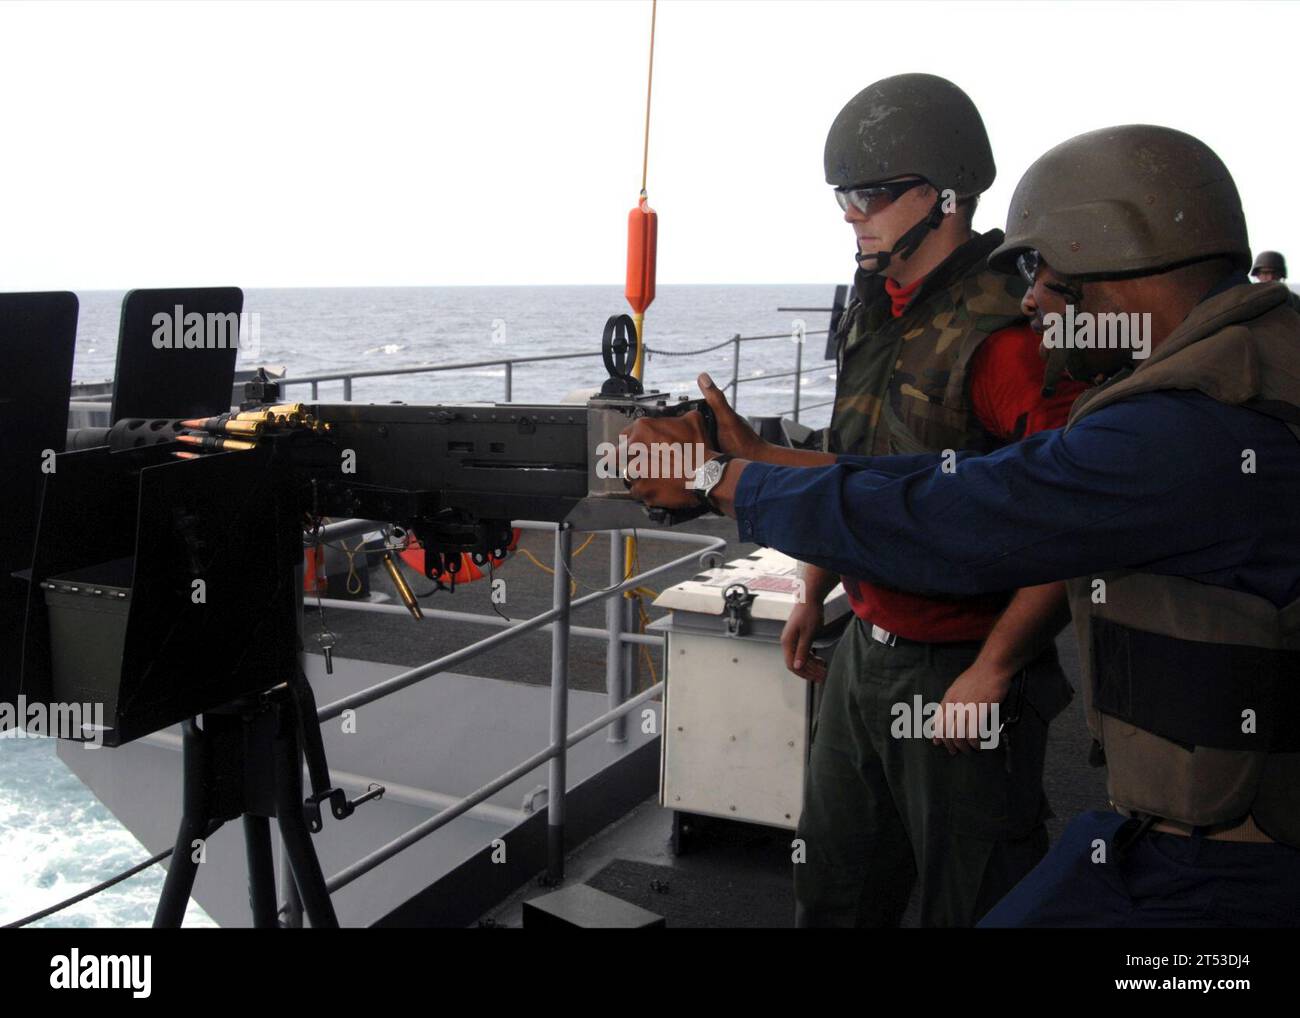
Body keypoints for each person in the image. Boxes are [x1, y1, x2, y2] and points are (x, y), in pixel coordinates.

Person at [624, 124, 1300, 926]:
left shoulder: (1188, 431)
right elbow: (939, 479)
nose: (1032, 298)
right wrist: (758, 463)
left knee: (976, 887)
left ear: (1121, 259)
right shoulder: (1240, 369)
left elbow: (961, 518)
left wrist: (713, 481)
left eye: (1047, 272)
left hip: (1227, 864)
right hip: (1178, 827)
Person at [777, 72, 1084, 928]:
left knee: (975, 897)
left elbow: (1077, 519)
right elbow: (852, 460)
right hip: (864, 650)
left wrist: (994, 668)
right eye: (845, 194)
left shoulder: (1008, 336)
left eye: (870, 193)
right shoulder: (877, 304)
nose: (851, 212)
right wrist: (814, 588)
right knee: (834, 888)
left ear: (944, 197)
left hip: (959, 662)